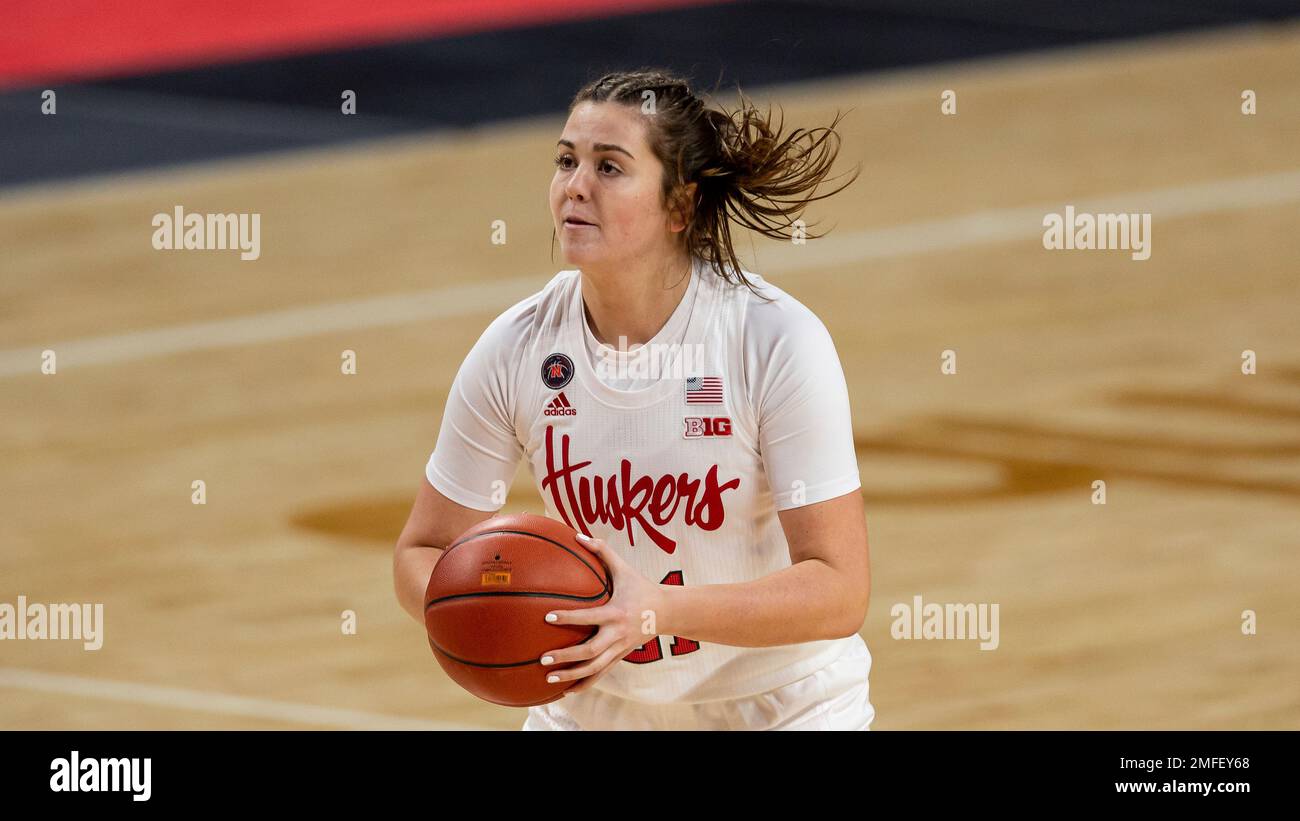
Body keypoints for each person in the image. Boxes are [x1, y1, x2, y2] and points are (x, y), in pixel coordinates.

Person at [394, 68, 872, 730]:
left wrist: (659, 610)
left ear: (679, 206)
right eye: (566, 160)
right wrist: (484, 612)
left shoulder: (774, 340)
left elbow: (839, 589)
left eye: (609, 166)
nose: (574, 186)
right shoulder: (515, 350)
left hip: (781, 705)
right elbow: (422, 551)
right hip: (594, 710)